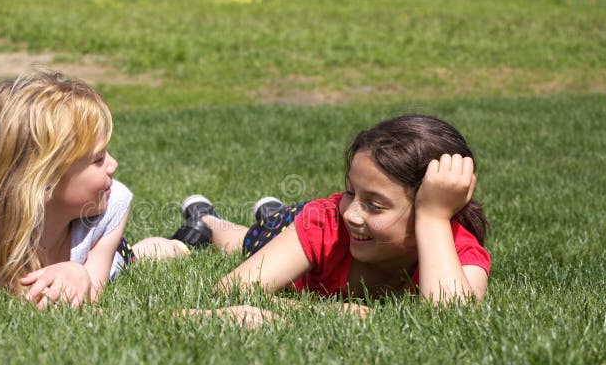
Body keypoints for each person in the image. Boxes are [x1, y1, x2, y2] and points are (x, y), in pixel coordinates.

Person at [171, 114, 490, 317]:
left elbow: (450, 319)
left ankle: (270, 209)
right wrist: (336, 312)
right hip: (301, 222)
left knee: (273, 221)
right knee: (245, 239)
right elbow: (232, 290)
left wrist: (433, 219)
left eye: (375, 205)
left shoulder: (456, 248)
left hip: (309, 228)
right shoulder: (329, 221)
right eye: (350, 191)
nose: (352, 213)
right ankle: (208, 220)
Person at [0, 70, 188, 309]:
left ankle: (187, 231)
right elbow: (19, 295)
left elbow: (92, 292)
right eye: (98, 159)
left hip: (109, 253)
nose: (113, 164)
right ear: (44, 181)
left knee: (143, 254)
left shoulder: (111, 207)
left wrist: (79, 273)